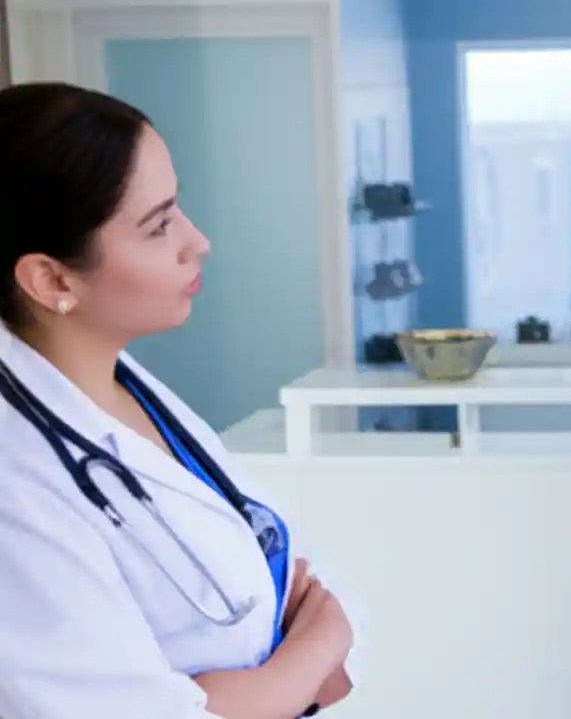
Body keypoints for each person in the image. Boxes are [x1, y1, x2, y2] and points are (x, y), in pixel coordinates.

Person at [0, 82, 353, 718]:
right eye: (160, 226)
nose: (199, 241)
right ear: (52, 279)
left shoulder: (118, 382)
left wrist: (279, 678)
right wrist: (319, 647)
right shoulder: (15, 482)